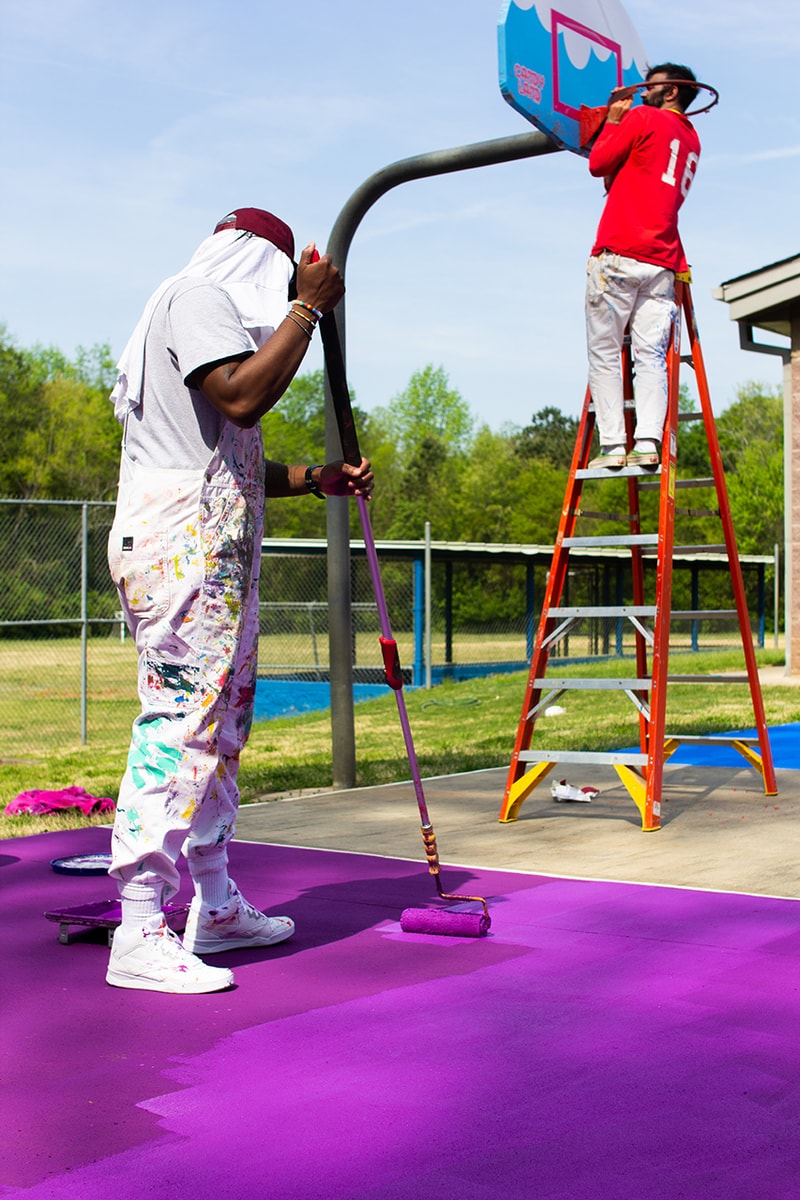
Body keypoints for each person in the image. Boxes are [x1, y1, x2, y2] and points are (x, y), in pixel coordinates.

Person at [105, 208, 373, 994]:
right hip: (180, 548)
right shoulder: (197, 296)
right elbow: (240, 399)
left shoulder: (213, 312)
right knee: (181, 723)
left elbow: (230, 455)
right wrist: (308, 308)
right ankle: (139, 923)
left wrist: (313, 479)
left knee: (222, 724)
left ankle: (215, 903)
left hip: (214, 547)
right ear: (260, 263)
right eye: (284, 277)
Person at [585, 64, 701, 469]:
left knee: (604, 351)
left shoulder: (642, 117)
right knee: (650, 356)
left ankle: (614, 445)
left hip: (620, 250)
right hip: (662, 262)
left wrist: (612, 121)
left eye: (649, 87)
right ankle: (649, 441)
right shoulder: (692, 139)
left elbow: (598, 162)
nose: (641, 93)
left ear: (669, 91)